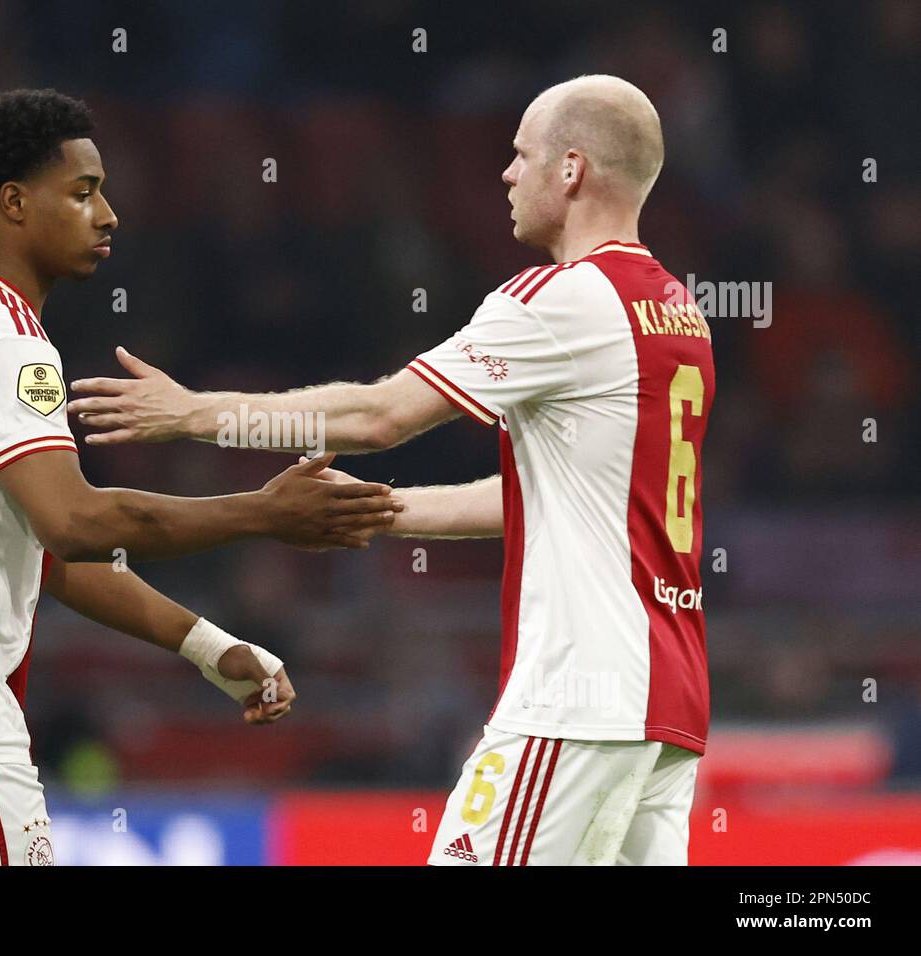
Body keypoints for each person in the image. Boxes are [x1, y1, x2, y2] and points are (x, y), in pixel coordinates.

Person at [68, 75, 715, 865]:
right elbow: (544, 501)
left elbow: (381, 416)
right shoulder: (678, 311)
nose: (506, 175)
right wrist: (381, 511)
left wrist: (194, 412)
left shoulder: (564, 299)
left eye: (520, 156)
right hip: (666, 703)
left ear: (571, 169)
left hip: (575, 696)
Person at [0, 89, 400, 866]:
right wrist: (263, 512)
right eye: (83, 193)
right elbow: (76, 524)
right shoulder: (4, 340)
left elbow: (48, 556)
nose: (109, 213)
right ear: (14, 204)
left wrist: (207, 645)